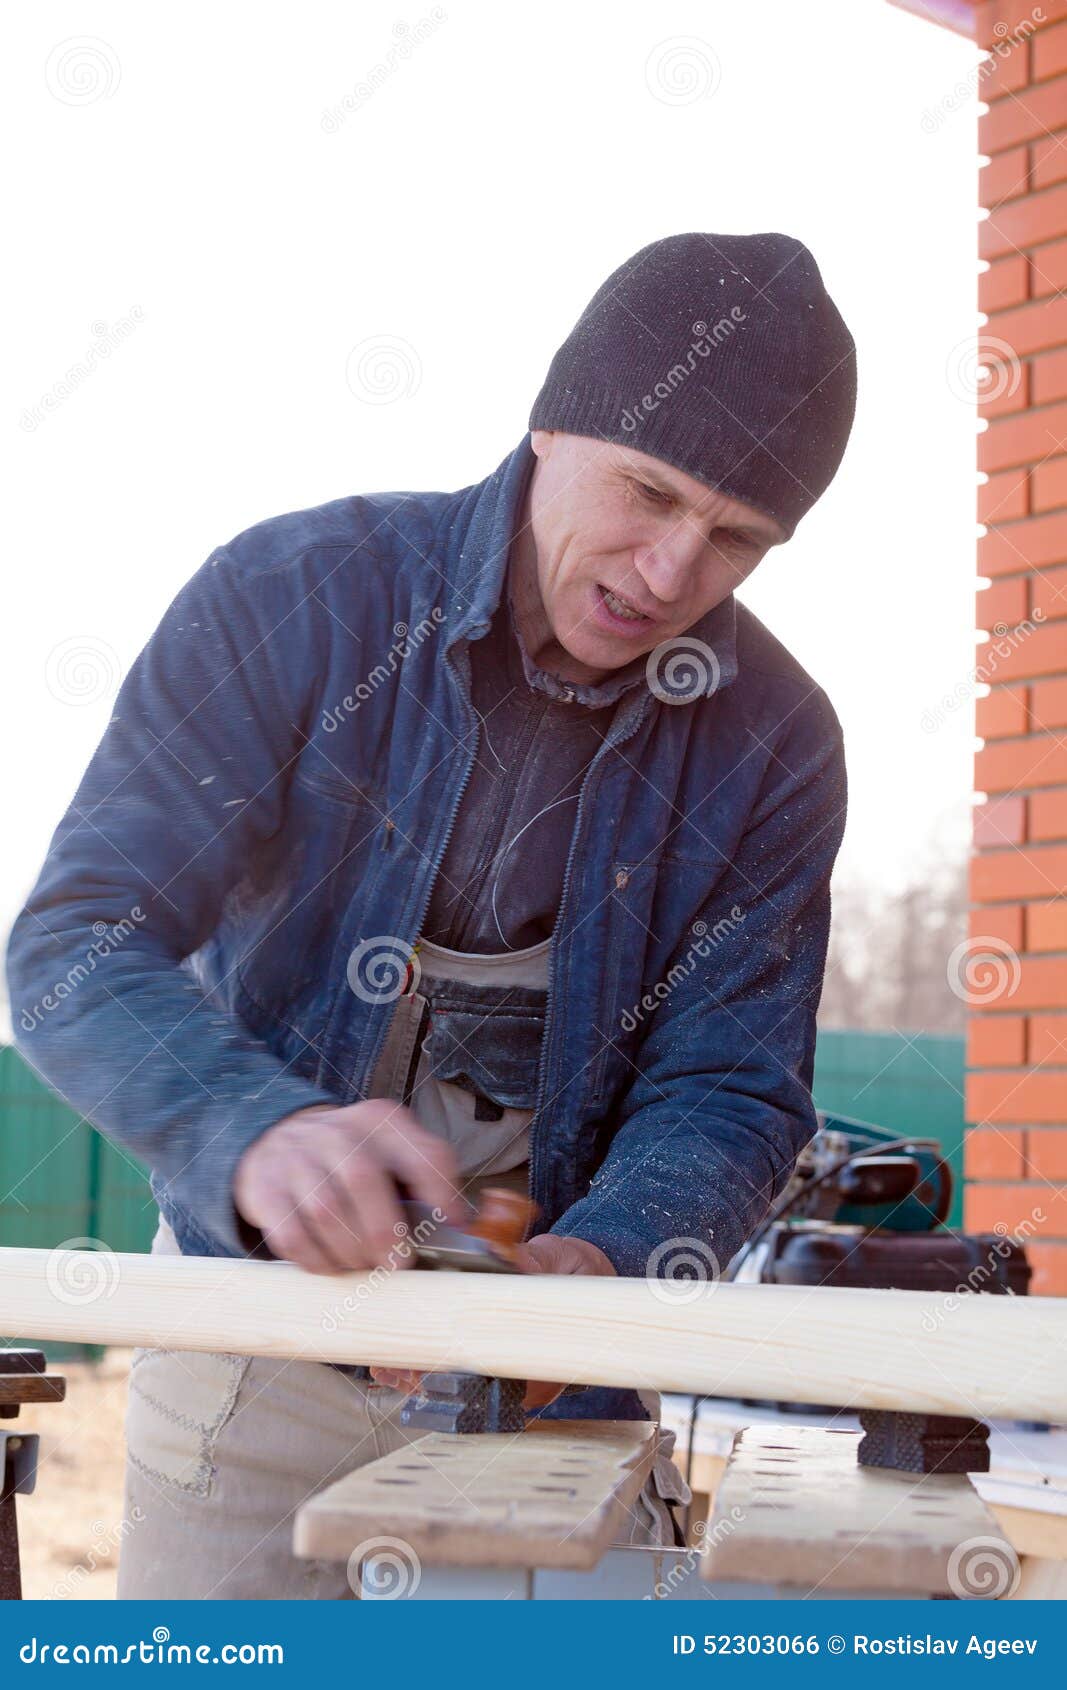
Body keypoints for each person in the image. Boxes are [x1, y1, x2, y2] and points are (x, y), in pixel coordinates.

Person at [6, 231, 857, 1598]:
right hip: (253, 1347)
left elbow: (732, 1086)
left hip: (553, 1389)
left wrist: (607, 1256)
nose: (668, 570)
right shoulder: (294, 599)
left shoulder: (778, 745)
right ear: (551, 420)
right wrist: (256, 1128)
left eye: (737, 539)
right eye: (650, 491)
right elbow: (72, 946)